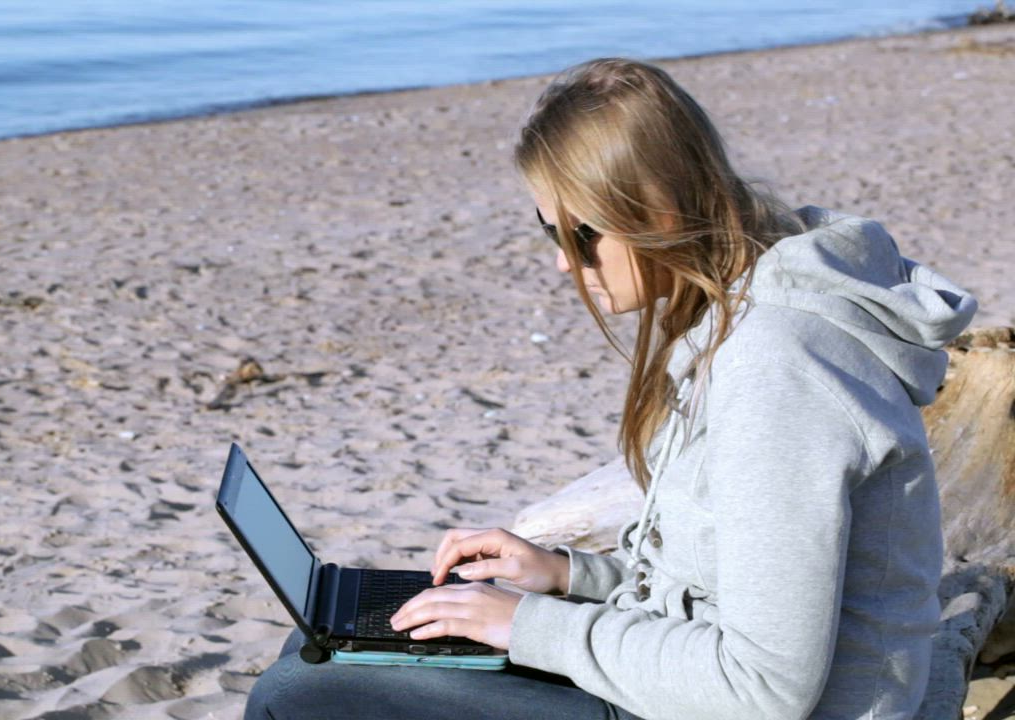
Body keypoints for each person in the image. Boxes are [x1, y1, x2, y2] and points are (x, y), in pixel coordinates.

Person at [243, 57, 977, 720]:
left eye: (576, 233)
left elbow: (764, 687)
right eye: (548, 233)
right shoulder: (738, 314)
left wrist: (521, 624)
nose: (564, 264)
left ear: (653, 213)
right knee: (319, 647)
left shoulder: (777, 369)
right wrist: (565, 575)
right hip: (695, 690)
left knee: (295, 695)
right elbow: (718, 584)